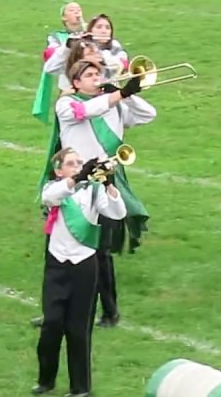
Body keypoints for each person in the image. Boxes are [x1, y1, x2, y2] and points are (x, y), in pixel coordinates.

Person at [49, 60, 155, 327]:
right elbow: (86, 111)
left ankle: (110, 311)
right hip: (74, 186)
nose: (96, 78)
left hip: (102, 185)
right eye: (89, 75)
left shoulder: (112, 102)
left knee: (100, 253)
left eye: (98, 74)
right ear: (76, 83)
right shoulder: (66, 104)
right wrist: (119, 94)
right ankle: (56, 309)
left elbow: (147, 115)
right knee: (60, 253)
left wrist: (127, 96)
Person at [34, 148, 125, 397]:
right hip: (57, 264)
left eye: (79, 163)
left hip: (84, 265)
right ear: (59, 170)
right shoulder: (54, 188)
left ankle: (80, 387)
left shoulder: (93, 191)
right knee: (51, 324)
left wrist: (109, 184)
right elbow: (49, 198)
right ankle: (45, 380)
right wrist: (77, 178)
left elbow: (118, 213)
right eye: (71, 164)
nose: (77, 166)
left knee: (78, 327)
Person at [32, 2, 86, 123]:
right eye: (72, 10)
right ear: (63, 17)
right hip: (68, 86)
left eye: (79, 9)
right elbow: (51, 54)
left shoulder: (89, 33)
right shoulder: (56, 36)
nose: (77, 12)